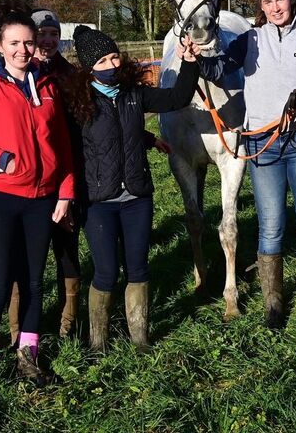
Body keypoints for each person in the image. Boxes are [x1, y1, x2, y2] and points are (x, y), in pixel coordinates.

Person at [197, 0, 296, 331]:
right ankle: (273, 303)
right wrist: (196, 58)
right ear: (261, 7)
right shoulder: (250, 40)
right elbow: (219, 69)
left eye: (280, 0)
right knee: (270, 226)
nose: (275, 8)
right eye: (268, 2)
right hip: (262, 144)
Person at [0, 0, 75, 400]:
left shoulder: (48, 86)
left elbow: (63, 146)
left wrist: (65, 192)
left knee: (35, 284)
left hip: (42, 200)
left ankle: (28, 357)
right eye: (14, 43)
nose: (23, 50)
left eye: (28, 42)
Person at [63, 25, 199, 353]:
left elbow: (177, 98)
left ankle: (140, 338)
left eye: (114, 57)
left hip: (137, 196)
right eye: (102, 61)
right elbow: (72, 150)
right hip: (98, 201)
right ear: (88, 68)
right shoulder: (77, 104)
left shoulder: (134, 94)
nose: (111, 65)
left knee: (138, 268)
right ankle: (98, 342)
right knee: (106, 271)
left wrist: (189, 63)